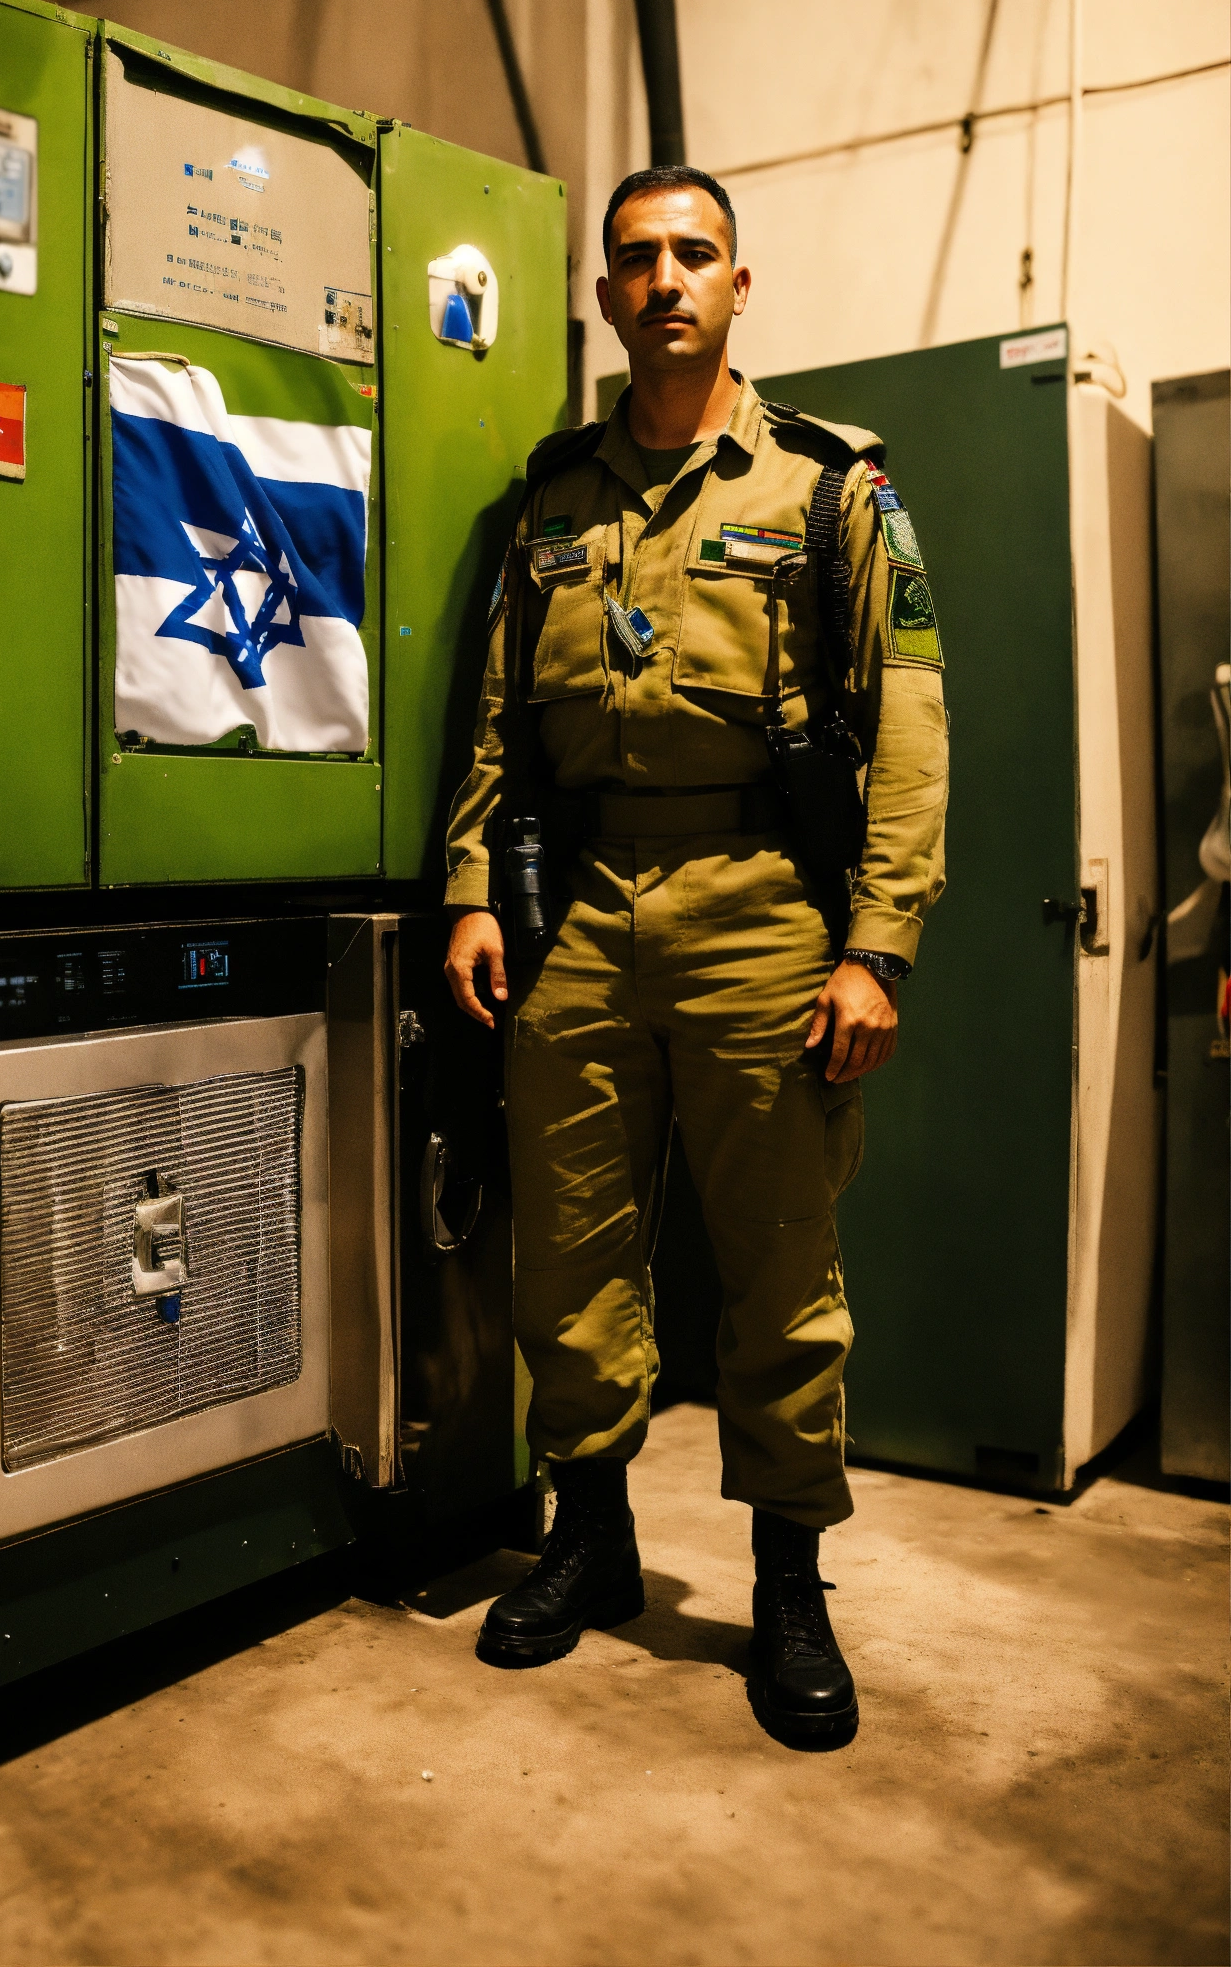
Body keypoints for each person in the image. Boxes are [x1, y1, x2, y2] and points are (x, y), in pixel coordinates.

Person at [442, 165, 949, 1747]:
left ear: (740, 284)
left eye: (695, 254)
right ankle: (592, 1541)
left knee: (780, 1272)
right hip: (581, 908)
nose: (665, 279)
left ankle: (788, 1584)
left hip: (759, 910)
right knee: (566, 1258)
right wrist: (471, 885)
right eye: (637, 258)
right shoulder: (551, 501)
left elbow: (915, 727)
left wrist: (876, 944)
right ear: (604, 297)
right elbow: (493, 717)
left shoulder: (826, 491)